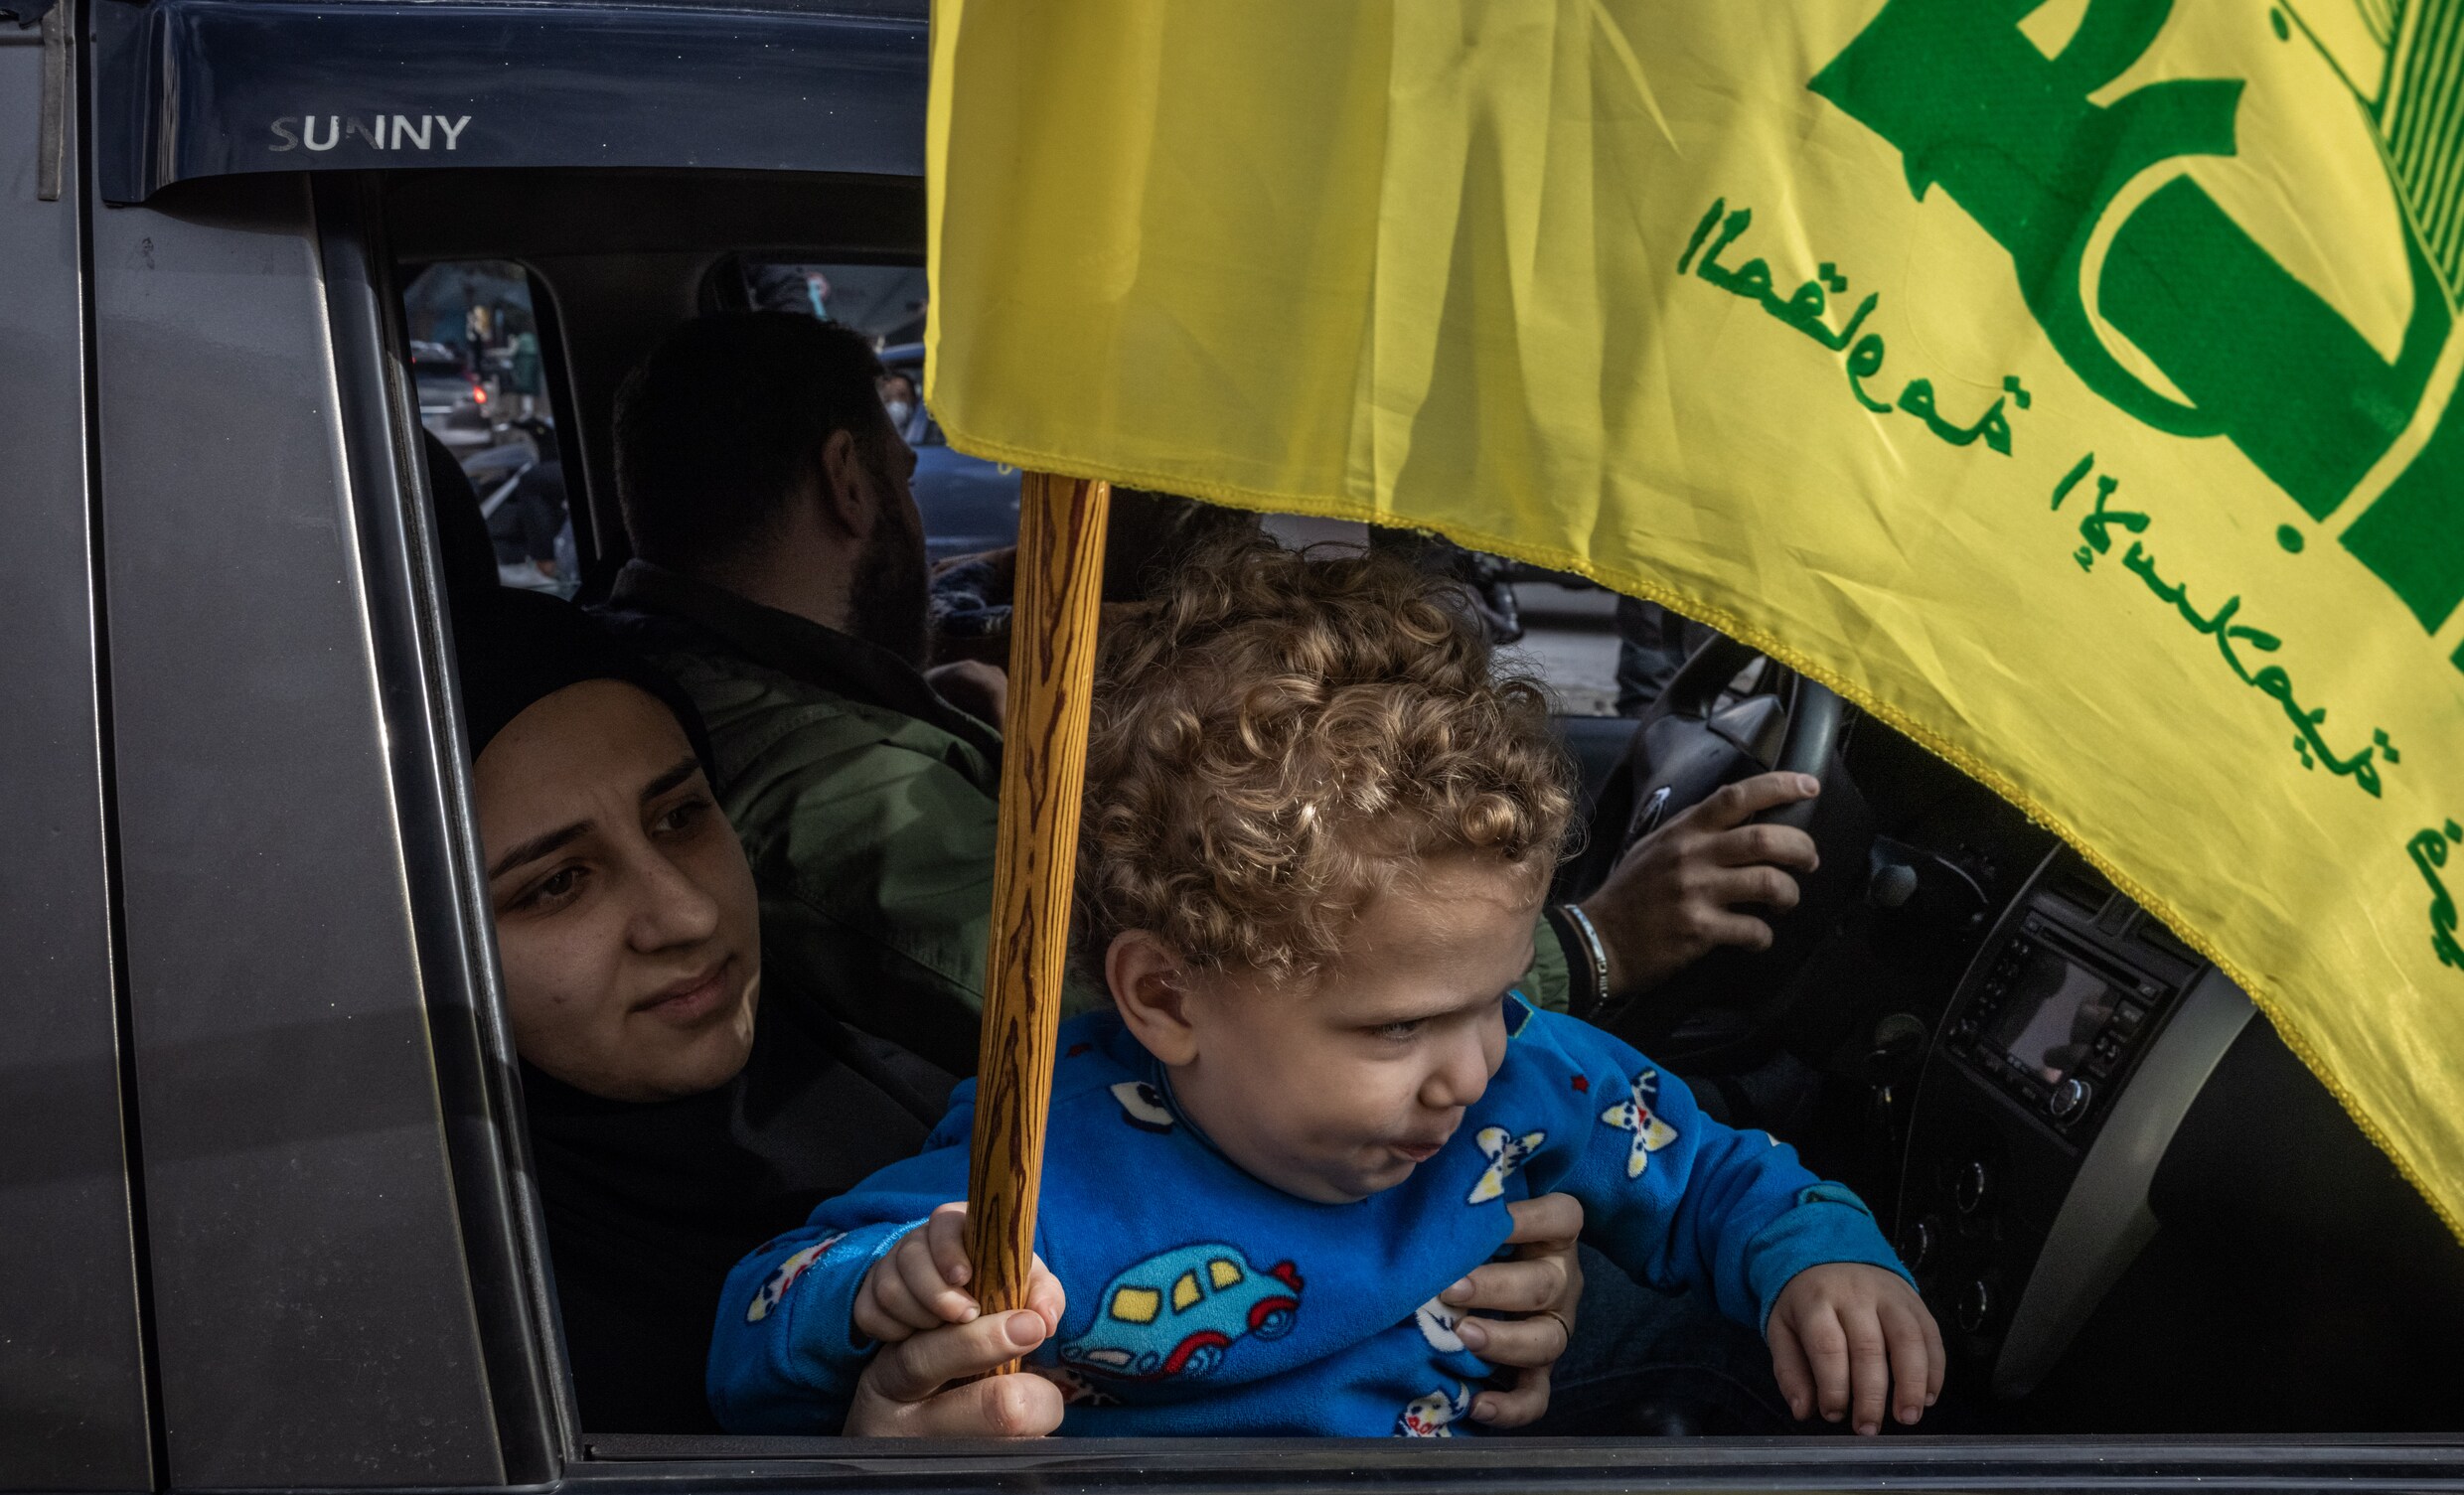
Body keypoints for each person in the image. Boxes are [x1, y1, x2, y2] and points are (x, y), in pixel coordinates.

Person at [707, 543, 1939, 1438]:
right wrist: (880, 1286)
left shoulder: (1530, 1079)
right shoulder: (1040, 1171)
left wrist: (1823, 1261)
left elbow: (1712, 1174)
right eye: (1398, 1026)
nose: (1472, 1067)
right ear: (1165, 998)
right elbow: (755, 1330)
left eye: (1491, 996)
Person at [456, 587, 1583, 1434]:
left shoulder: (842, 1041)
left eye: (680, 817)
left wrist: (1474, 1287)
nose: (686, 911)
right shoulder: (474, 1327)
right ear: (420, 937)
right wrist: (861, 1490)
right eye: (555, 885)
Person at [602, 313, 1821, 1078]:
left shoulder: (726, 691)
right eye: (904, 481)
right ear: (849, 483)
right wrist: (1589, 945)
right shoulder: (828, 780)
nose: (924, 528)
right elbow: (1100, 1009)